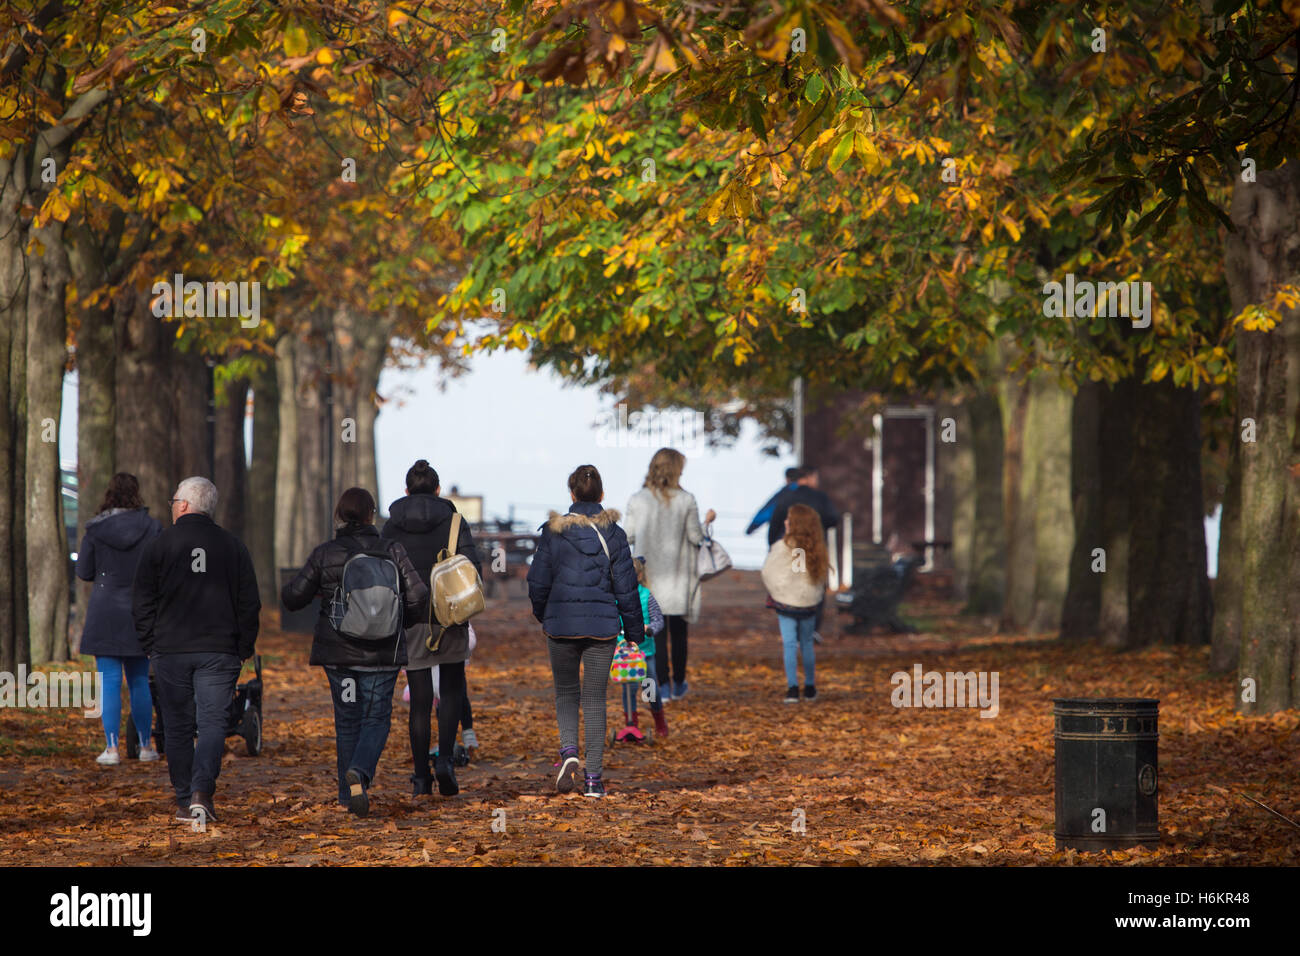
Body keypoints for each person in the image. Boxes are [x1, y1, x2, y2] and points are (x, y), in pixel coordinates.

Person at [282, 487, 427, 816]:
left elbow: (293, 598)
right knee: (376, 719)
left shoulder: (326, 553)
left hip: (340, 655)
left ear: (339, 515)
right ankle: (359, 773)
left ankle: (347, 798)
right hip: (383, 654)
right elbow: (419, 595)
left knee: (347, 721)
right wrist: (400, 623)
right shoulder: (393, 550)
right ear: (371, 515)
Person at [132, 476, 260, 825]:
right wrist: (243, 646)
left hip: (170, 650)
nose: (172, 506)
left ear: (184, 505)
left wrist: (149, 643)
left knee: (176, 726)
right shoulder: (232, 547)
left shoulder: (159, 546)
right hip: (219, 650)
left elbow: (142, 598)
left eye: (174, 501)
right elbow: (249, 601)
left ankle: (185, 797)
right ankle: (203, 792)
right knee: (213, 722)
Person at [527, 464, 644, 797]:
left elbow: (538, 581)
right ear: (602, 496)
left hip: (561, 625)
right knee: (594, 700)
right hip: (603, 628)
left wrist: (544, 615)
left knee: (565, 693)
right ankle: (593, 779)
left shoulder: (553, 532)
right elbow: (627, 586)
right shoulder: (615, 535)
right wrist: (634, 630)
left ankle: (569, 751)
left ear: (572, 494)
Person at [380, 459, 481, 797]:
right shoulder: (454, 521)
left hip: (409, 615)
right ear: (438, 490)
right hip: (447, 614)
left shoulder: (391, 526)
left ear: (406, 491)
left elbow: (382, 568)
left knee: (420, 698)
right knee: (452, 689)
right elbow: (472, 566)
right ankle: (446, 762)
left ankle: (421, 776)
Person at [77, 473, 163, 765]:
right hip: (141, 610)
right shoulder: (152, 528)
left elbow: (84, 571)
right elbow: (161, 568)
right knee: (139, 679)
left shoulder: (96, 529)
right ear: (137, 494)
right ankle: (145, 747)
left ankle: (112, 749)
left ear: (109, 494)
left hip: (105, 610)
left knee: (110, 681)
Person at [624, 447, 715, 700]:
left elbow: (628, 535)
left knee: (656, 633)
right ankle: (679, 684)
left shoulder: (637, 499)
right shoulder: (686, 500)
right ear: (677, 470)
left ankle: (661, 686)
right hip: (679, 576)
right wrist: (708, 522)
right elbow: (696, 537)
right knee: (679, 633)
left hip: (649, 576)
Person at [761, 503, 829, 703]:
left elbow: (770, 572)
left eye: (788, 519)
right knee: (807, 643)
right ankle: (809, 686)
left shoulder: (785, 547)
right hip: (809, 603)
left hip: (787, 603)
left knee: (789, 644)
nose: (784, 522)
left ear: (794, 524)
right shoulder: (817, 549)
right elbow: (812, 577)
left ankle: (792, 688)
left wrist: (778, 591)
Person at [767, 464, 840, 639]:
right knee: (814, 582)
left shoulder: (787, 497)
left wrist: (773, 546)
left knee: (795, 582)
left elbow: (775, 522)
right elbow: (833, 518)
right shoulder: (820, 498)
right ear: (810, 477)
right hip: (814, 547)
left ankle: (793, 621)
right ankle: (811, 626)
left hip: (793, 549)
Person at [614, 557, 667, 742]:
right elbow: (612, 620)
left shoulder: (646, 596)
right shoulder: (615, 598)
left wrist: (650, 629)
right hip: (625, 654)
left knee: (649, 688)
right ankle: (631, 723)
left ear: (639, 575)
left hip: (646, 653)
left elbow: (659, 620)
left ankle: (659, 719)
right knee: (628, 688)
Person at [745, 467, 803, 535]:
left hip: (783, 535)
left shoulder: (784, 493)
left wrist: (752, 526)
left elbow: (767, 511)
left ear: (787, 479)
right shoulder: (807, 493)